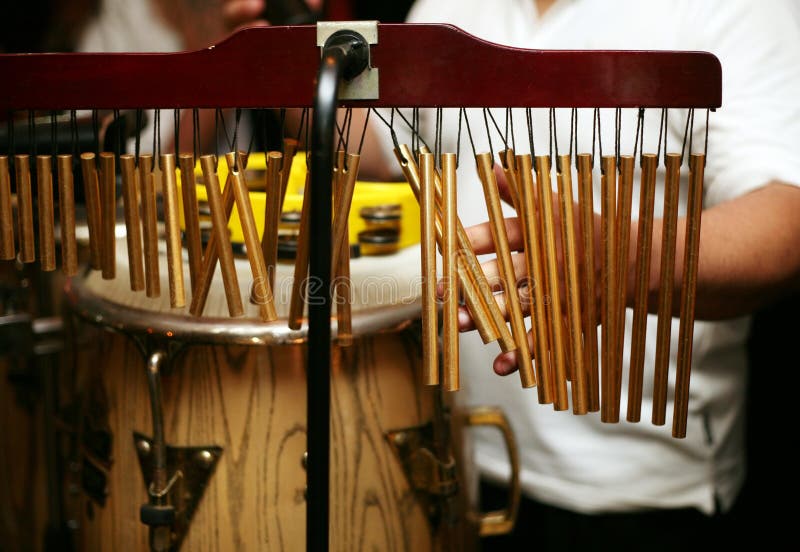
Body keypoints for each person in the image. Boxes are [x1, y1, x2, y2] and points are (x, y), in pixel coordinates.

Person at [224, 0, 800, 549]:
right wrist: (294, 74)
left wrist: (625, 259)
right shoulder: (446, 8)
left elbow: (787, 216)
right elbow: (390, 148)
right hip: (459, 451)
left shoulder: (736, 10)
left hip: (637, 490)